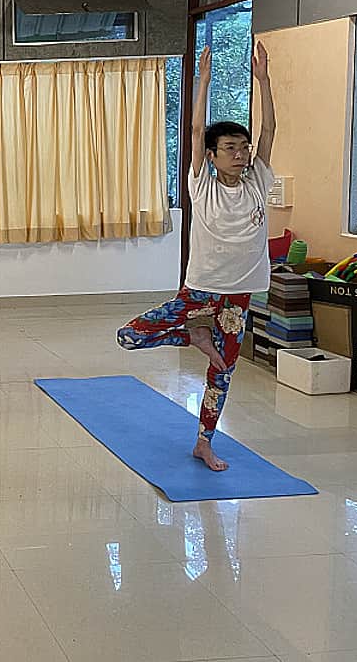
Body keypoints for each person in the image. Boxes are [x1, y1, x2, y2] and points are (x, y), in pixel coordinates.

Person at [117, 42, 276, 471]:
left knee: (222, 371)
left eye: (243, 147)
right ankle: (194, 337)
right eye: (230, 148)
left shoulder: (257, 180)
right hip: (201, 291)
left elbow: (270, 133)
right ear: (212, 155)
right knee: (129, 336)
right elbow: (192, 133)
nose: (240, 154)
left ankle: (205, 443)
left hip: (239, 295)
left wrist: (263, 82)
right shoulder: (201, 184)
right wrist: (202, 81)